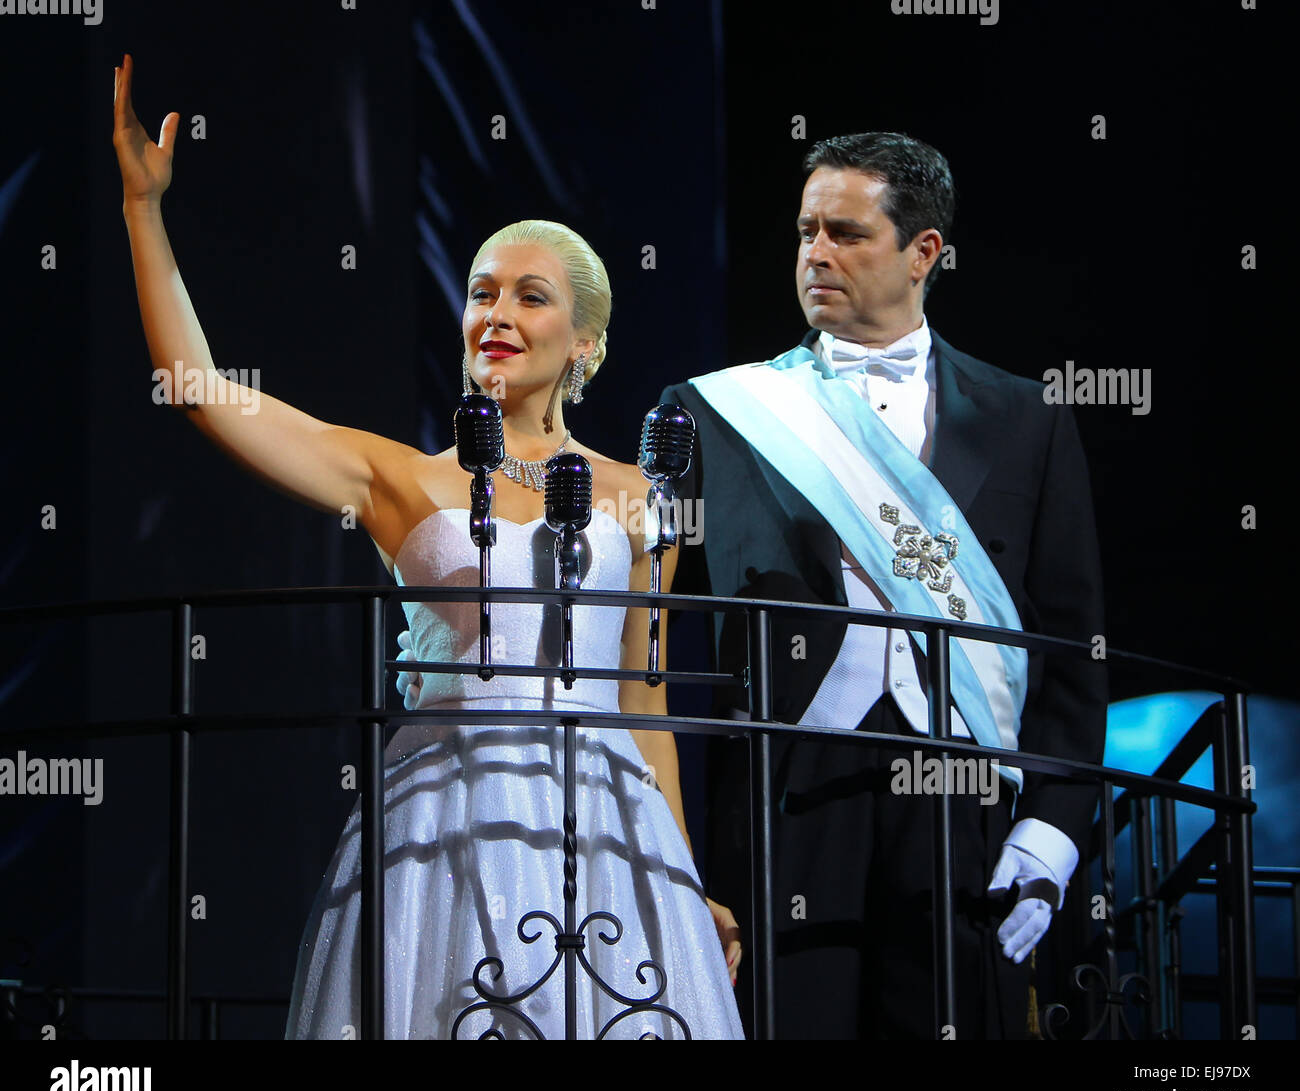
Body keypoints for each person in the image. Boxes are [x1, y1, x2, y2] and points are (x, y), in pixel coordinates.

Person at [112, 53, 742, 1039]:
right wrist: (144, 208)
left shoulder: (637, 498)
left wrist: (687, 879)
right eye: (482, 292)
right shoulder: (399, 477)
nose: (495, 314)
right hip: (442, 815)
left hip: (610, 827)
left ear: (585, 342)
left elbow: (641, 702)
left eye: (530, 297)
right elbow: (196, 388)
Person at [661, 131, 1108, 1039]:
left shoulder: (1029, 419)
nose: (815, 253)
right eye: (804, 232)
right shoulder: (718, 412)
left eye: (846, 234)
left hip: (966, 799)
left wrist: (1054, 830)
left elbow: (1071, 646)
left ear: (924, 252)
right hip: (784, 799)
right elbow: (647, 641)